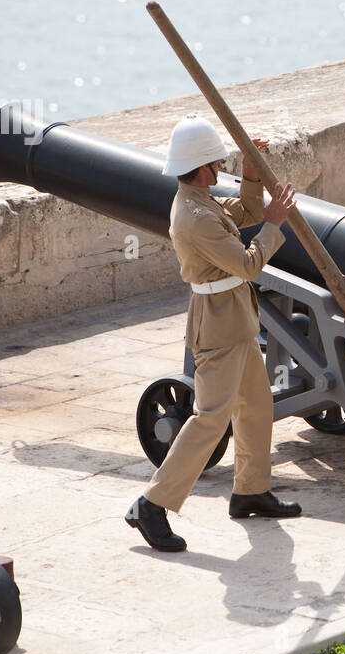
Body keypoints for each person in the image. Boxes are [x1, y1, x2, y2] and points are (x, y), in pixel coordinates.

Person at [126, 114, 301, 553]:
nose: (220, 168)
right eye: (217, 164)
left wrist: (251, 177)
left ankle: (250, 491)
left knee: (256, 407)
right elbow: (246, 263)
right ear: (201, 167)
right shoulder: (193, 215)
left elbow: (244, 212)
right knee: (210, 418)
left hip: (235, 316)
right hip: (219, 323)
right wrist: (275, 225)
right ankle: (151, 503)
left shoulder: (199, 200)